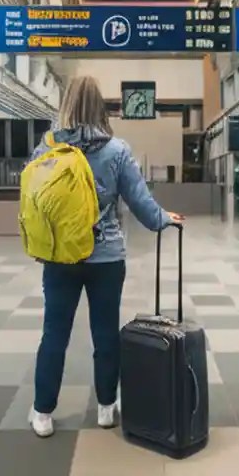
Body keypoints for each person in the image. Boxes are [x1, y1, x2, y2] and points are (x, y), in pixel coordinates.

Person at [27, 75, 183, 438]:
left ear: (65, 104)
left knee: (54, 334)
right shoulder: (116, 150)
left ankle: (43, 413)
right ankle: (106, 407)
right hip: (106, 258)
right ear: (101, 107)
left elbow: (35, 203)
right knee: (105, 334)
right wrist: (164, 219)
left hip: (60, 257)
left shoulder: (46, 149)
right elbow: (141, 203)